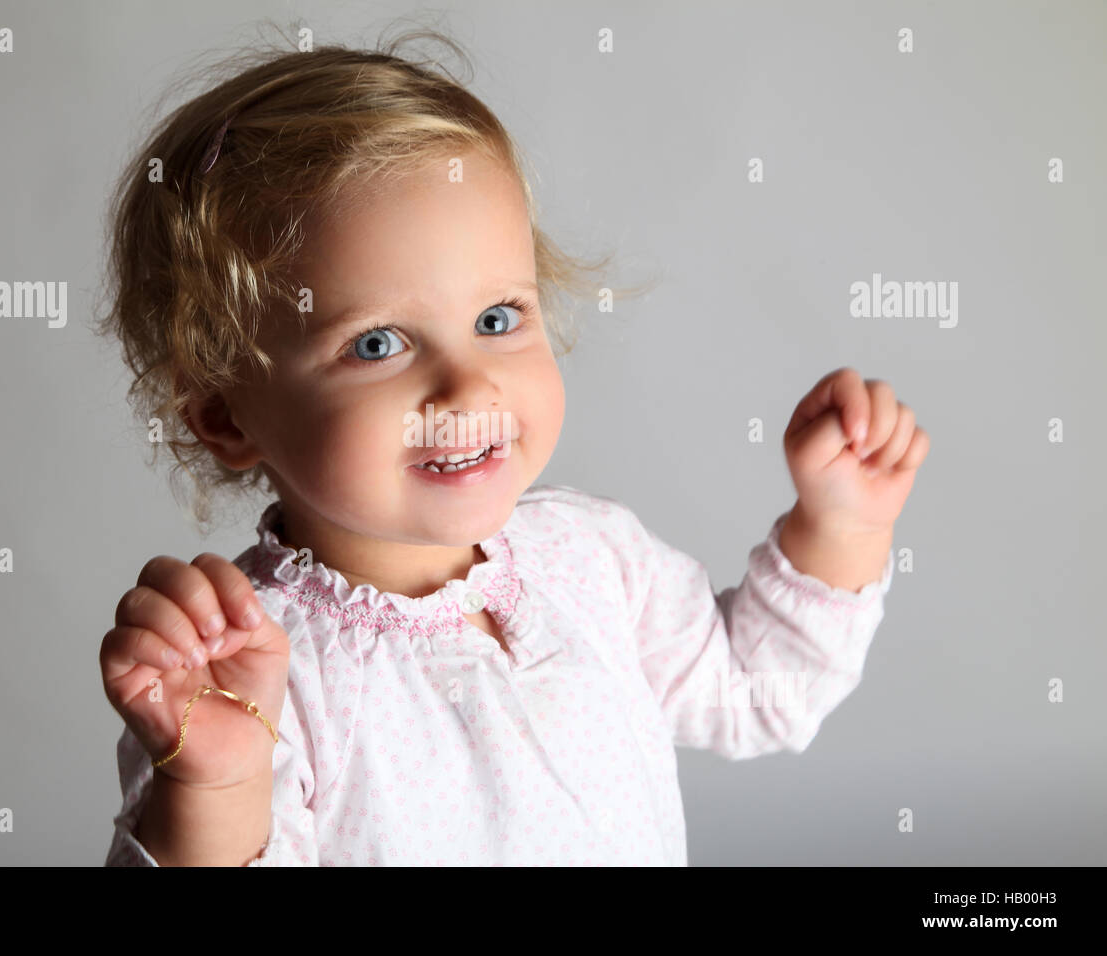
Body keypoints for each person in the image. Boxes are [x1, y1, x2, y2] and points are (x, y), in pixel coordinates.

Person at [96, 26, 929, 866]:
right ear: (228, 416)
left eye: (496, 319)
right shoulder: (246, 671)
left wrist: (842, 528)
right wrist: (216, 789)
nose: (468, 387)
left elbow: (754, 693)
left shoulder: (590, 559)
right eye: (378, 343)